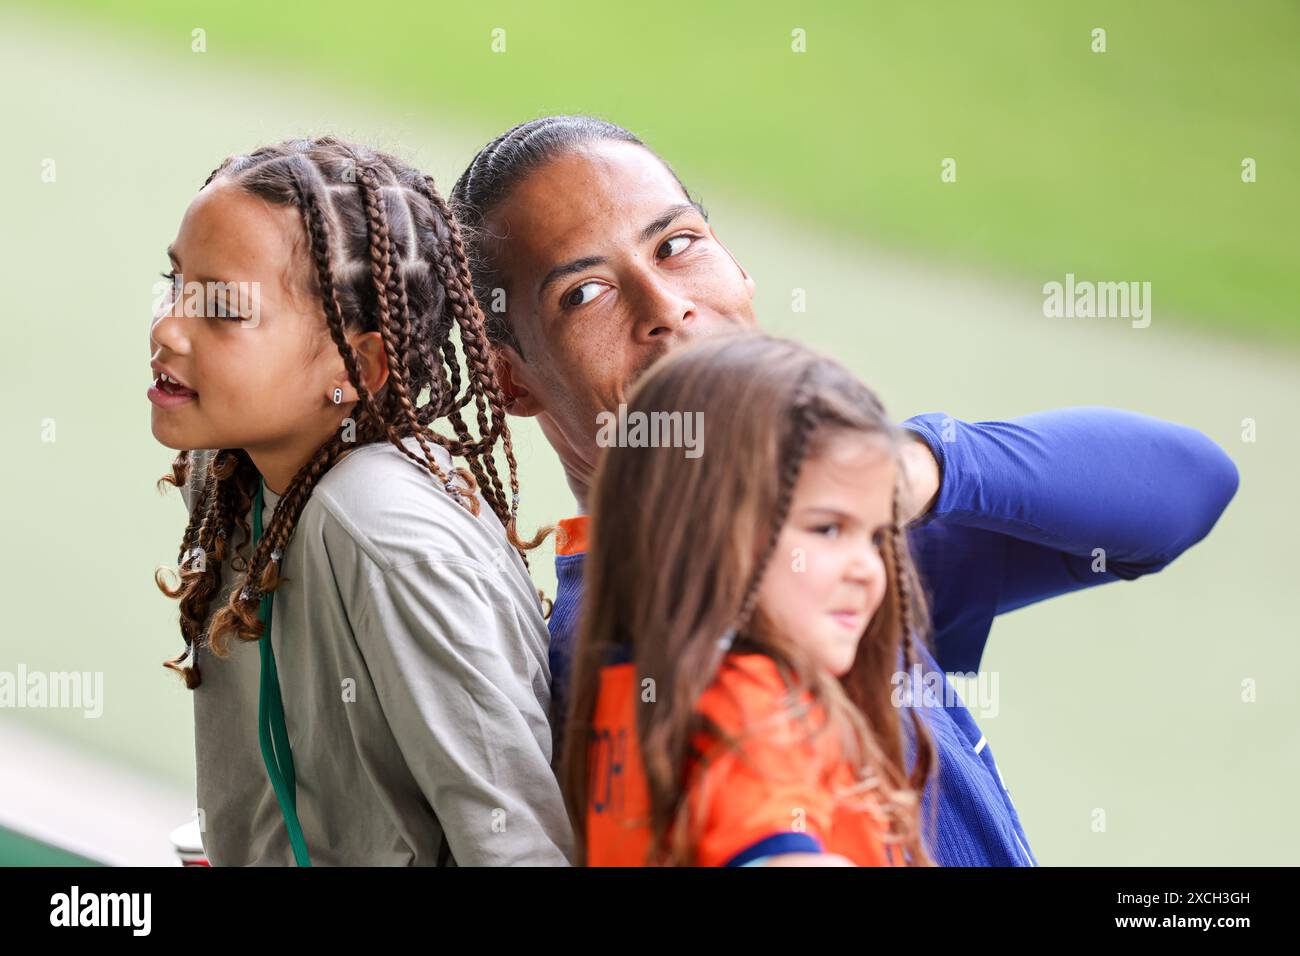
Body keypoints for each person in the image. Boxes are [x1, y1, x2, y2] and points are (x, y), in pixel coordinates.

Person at [451, 116, 1240, 866]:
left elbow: (1185, 489)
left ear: (736, 262)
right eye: (582, 294)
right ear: (510, 379)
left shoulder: (820, 555)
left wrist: (900, 472)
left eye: (678, 244)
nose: (667, 307)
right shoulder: (663, 639)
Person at [150, 137, 572, 865]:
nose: (166, 327)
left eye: (222, 310)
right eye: (175, 281)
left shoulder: (382, 530)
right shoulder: (227, 473)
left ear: (361, 365)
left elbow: (519, 849)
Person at [565, 334, 935, 867]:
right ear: (702, 527)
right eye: (828, 529)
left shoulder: (631, 684)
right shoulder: (750, 702)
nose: (868, 569)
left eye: (877, 537)